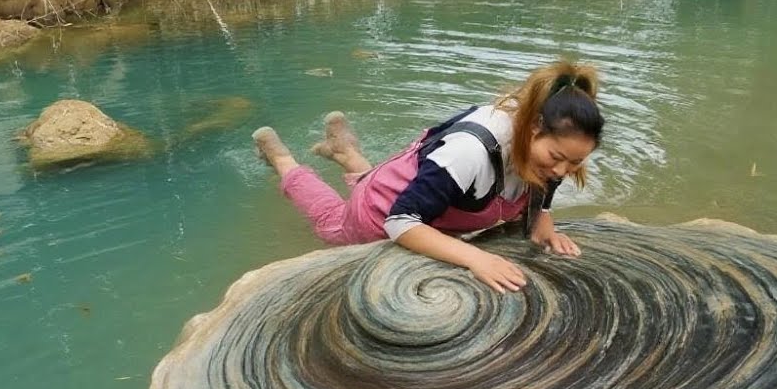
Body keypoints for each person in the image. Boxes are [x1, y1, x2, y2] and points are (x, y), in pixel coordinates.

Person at [251, 59, 605, 293]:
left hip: (407, 181)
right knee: (331, 221)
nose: (561, 171)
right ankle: (283, 160)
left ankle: (344, 152)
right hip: (382, 213)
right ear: (532, 128)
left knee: (385, 184)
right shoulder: (470, 152)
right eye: (557, 158)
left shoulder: (551, 139)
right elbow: (401, 221)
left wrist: (543, 216)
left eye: (573, 164)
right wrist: (475, 257)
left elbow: (552, 173)